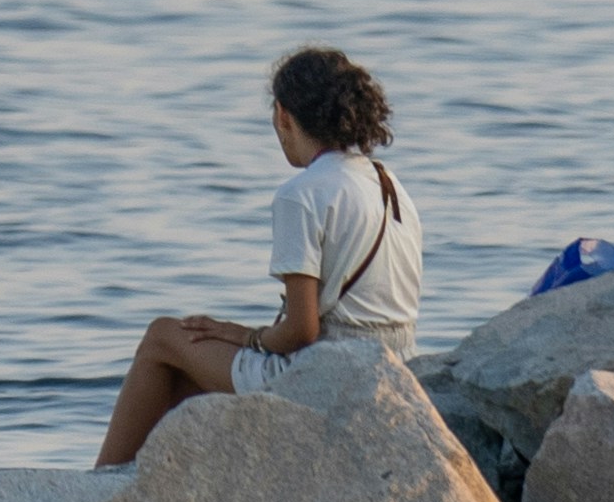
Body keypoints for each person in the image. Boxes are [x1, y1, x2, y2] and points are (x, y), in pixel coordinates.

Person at [88, 48, 424, 469]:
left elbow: (302, 331)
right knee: (186, 371)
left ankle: (100, 481)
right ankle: (145, 478)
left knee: (163, 338)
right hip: (395, 368)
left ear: (283, 116)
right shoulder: (388, 182)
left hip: (328, 375)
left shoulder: (301, 195)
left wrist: (244, 335)